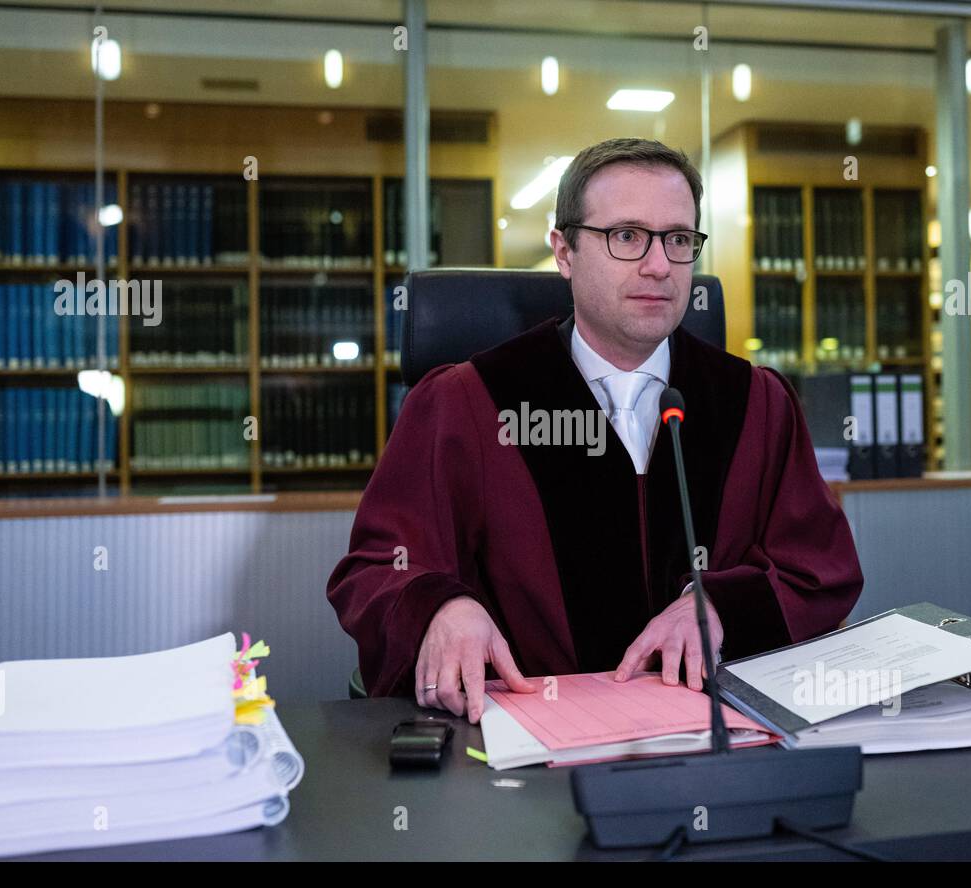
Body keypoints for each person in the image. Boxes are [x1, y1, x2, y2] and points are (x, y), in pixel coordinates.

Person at [328, 137, 863, 723]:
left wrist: (722, 606)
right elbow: (379, 567)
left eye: (679, 239)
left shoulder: (753, 402)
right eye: (626, 236)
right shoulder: (468, 401)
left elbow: (820, 569)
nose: (658, 264)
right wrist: (441, 607)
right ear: (564, 251)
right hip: (526, 756)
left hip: (718, 738)